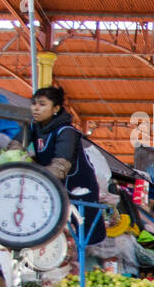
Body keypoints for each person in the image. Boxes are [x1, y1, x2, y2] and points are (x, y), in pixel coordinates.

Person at [28, 86, 107, 244]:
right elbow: (15, 147)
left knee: (83, 236)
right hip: (54, 190)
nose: (36, 108)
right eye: (34, 103)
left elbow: (61, 166)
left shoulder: (66, 132)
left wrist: (35, 177)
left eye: (42, 104)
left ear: (55, 108)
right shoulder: (32, 128)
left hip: (78, 190)